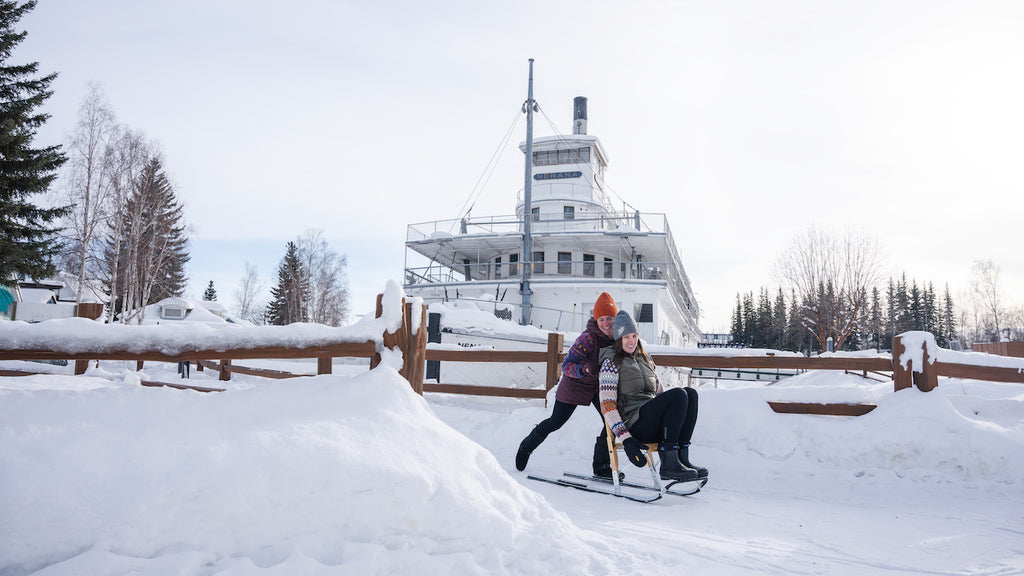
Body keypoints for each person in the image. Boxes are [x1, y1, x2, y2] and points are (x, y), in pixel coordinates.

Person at [515, 292, 620, 478]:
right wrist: (584, 370)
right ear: (596, 320)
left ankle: (601, 466)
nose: (606, 323)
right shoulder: (587, 338)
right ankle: (526, 446)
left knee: (611, 421)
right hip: (575, 384)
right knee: (556, 422)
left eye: (610, 318)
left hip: (597, 387)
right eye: (602, 319)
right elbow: (567, 365)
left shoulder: (617, 338)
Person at [598, 310, 708, 481]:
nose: (632, 341)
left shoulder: (645, 359)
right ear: (619, 339)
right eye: (626, 337)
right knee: (679, 394)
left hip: (650, 420)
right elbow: (607, 406)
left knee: (690, 394)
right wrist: (626, 440)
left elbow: (660, 394)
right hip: (635, 425)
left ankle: (681, 458)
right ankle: (669, 463)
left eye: (634, 336)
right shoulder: (610, 364)